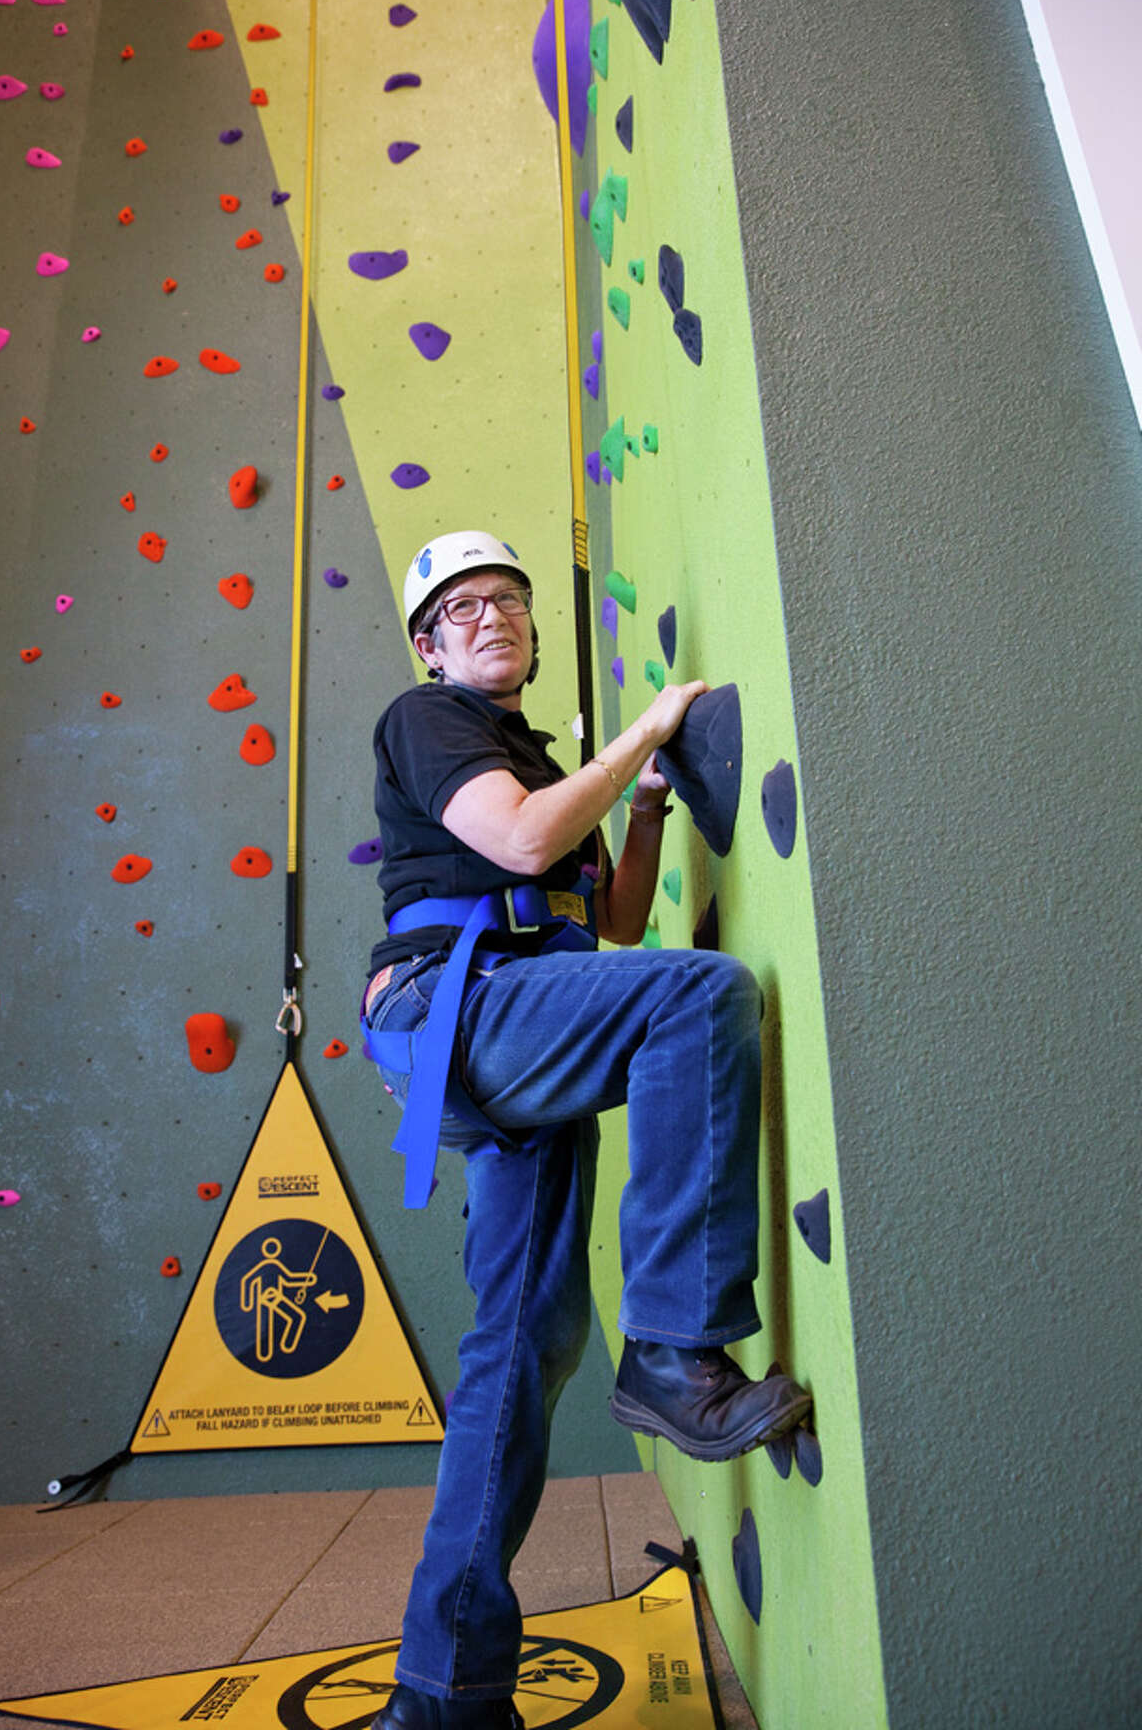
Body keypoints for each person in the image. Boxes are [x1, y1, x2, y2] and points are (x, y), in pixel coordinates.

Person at [361, 532, 811, 1730]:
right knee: (700, 993)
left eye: (507, 600)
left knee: (520, 1350)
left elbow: (608, 918)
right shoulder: (429, 719)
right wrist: (641, 737)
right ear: (429, 645)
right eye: (462, 609)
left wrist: (648, 805)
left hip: (521, 1029)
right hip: (454, 1012)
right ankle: (672, 1347)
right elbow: (517, 844)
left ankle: (444, 1695)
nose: (491, 617)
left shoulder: (548, 763)